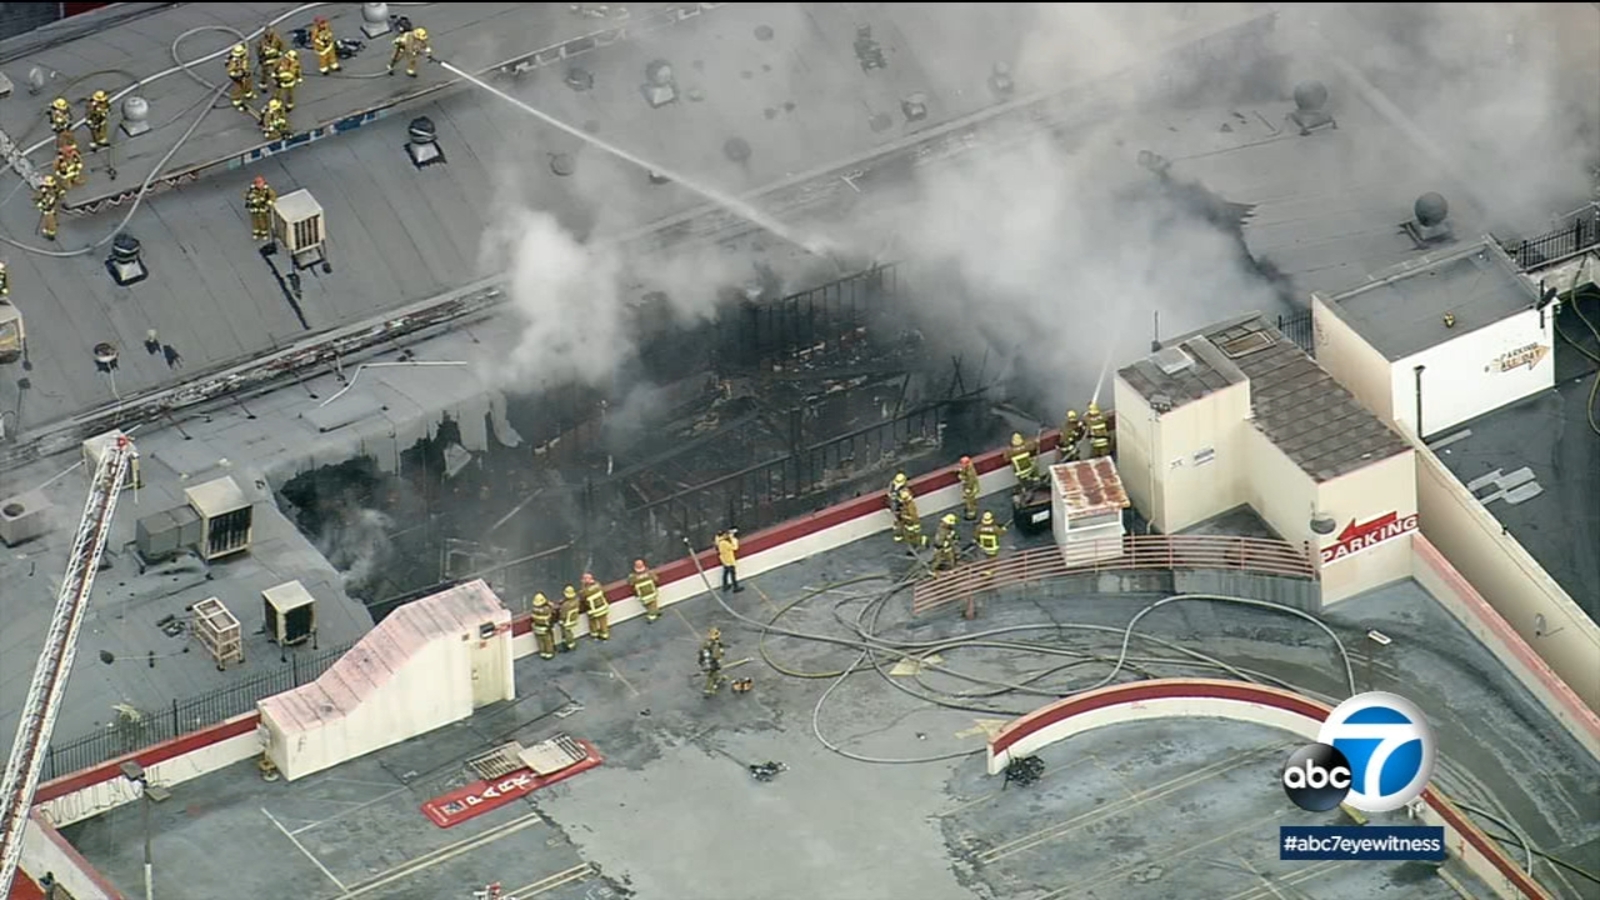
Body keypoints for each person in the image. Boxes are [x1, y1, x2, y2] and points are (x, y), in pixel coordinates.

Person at [699, 626, 726, 696]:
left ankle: (718, 678)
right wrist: (716, 659)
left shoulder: (715, 642)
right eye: (716, 633)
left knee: (716, 670)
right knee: (711, 674)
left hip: (713, 660)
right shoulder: (710, 644)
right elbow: (711, 655)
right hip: (710, 661)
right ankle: (708, 689)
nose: (719, 634)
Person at [715, 528, 742, 592]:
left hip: (724, 560)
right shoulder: (724, 543)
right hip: (729, 559)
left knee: (726, 572)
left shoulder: (718, 541)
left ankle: (725, 585)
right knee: (732, 573)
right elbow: (734, 548)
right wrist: (734, 540)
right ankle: (735, 587)